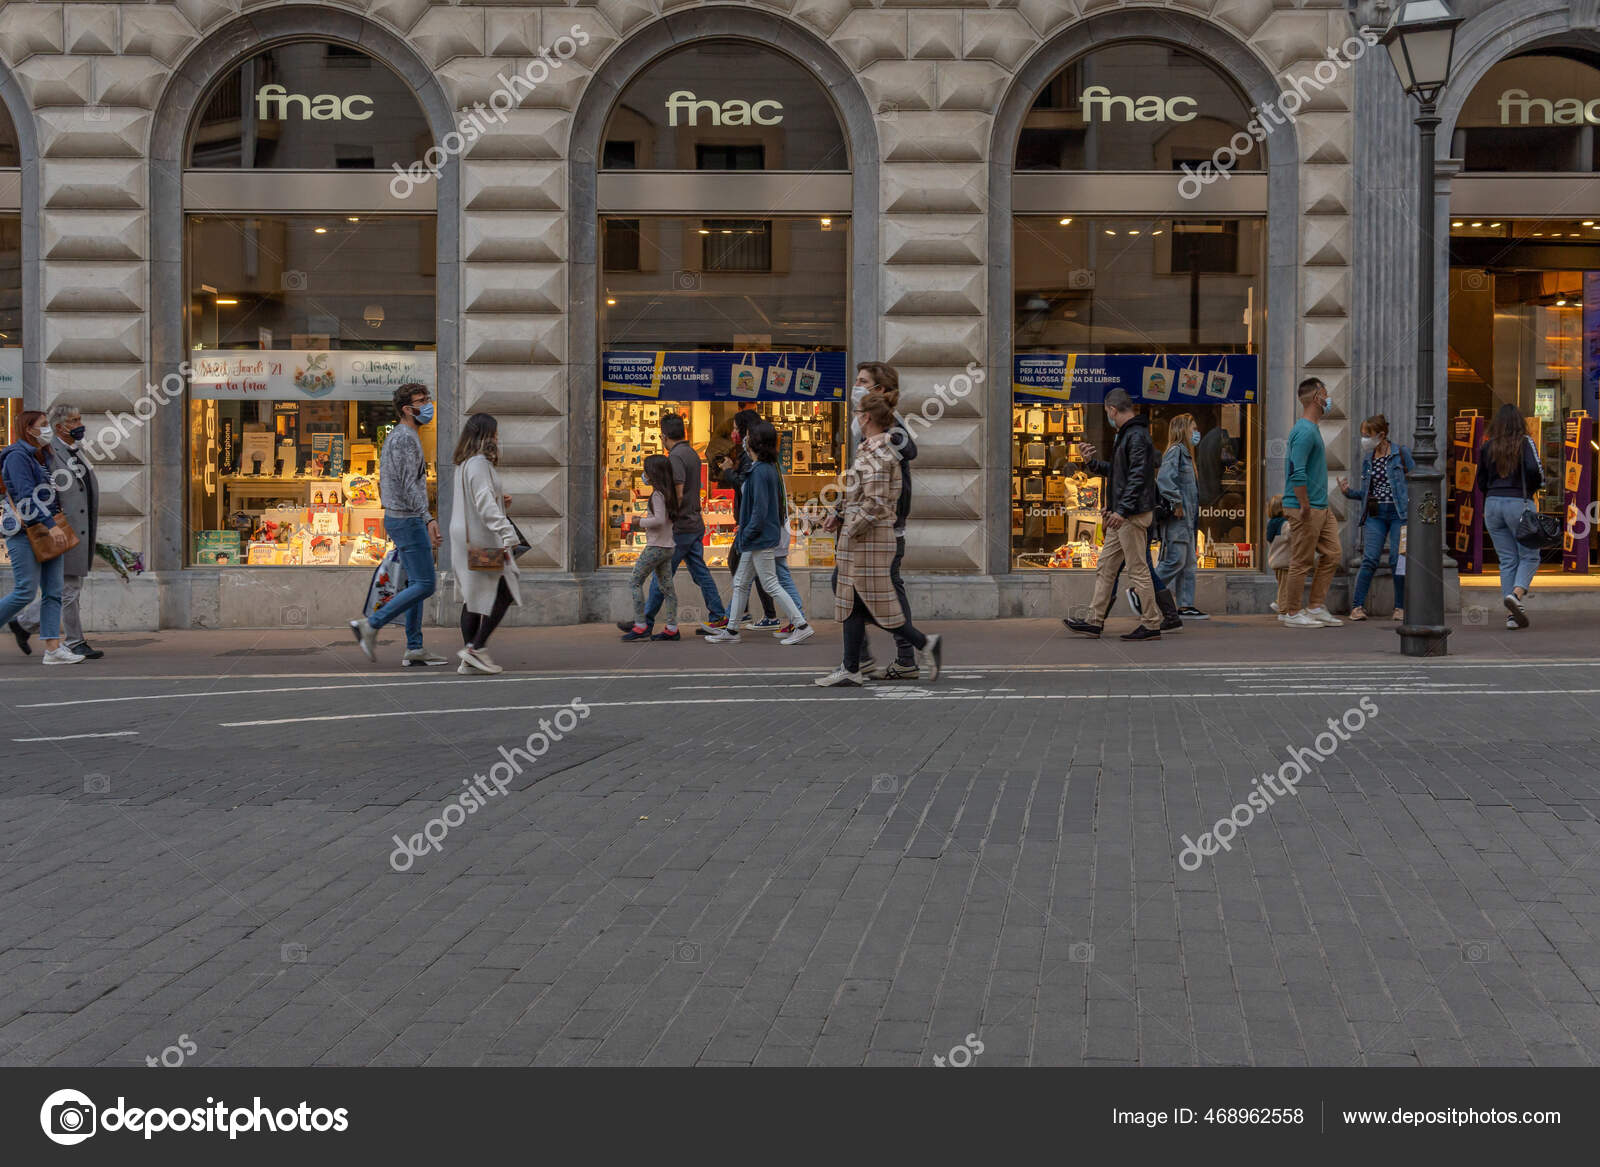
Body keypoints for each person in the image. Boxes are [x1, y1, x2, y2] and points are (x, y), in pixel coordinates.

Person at [816, 392, 940, 685]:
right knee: (855, 601)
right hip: (864, 538)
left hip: (869, 541)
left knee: (870, 602)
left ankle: (918, 646)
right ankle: (854, 666)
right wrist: (840, 515)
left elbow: (876, 503)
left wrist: (850, 526)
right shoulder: (869, 448)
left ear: (867, 417)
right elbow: (859, 495)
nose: (856, 418)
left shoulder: (880, 453)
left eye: (858, 412)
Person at [350, 382, 447, 665]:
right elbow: (408, 485)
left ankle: (414, 647)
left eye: (428, 398)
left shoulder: (405, 436)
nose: (428, 404)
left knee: (415, 582)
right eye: (421, 400)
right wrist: (427, 518)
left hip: (401, 518)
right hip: (407, 519)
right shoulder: (404, 438)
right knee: (426, 584)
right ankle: (370, 625)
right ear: (407, 409)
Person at [1063, 389, 1163, 641]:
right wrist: (1093, 464)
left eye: (1107, 412)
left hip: (1130, 516)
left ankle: (1151, 623)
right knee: (1106, 566)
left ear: (1112, 410)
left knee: (1138, 569)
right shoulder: (1130, 434)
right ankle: (1094, 621)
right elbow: (1122, 474)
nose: (1108, 416)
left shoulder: (1136, 435)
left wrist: (1122, 509)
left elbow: (1139, 477)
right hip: (1124, 515)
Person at [617, 413, 726, 641]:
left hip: (681, 527)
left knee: (661, 576)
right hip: (694, 522)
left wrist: (665, 518)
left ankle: (645, 622)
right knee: (699, 572)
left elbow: (676, 493)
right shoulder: (693, 454)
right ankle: (718, 615)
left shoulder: (675, 457)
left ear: (664, 435)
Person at [705, 420, 812, 645]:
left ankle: (801, 624)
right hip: (757, 538)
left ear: (754, 442)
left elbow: (760, 511)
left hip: (759, 539)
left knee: (770, 583)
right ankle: (732, 630)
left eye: (747, 436)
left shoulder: (761, 471)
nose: (743, 439)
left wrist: (746, 534)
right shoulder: (763, 469)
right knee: (741, 583)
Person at [847, 361, 922, 678]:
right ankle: (868, 656)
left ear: (879, 390)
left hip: (886, 527)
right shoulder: (860, 423)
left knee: (868, 591)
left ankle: (906, 654)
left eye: (863, 381)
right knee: (861, 590)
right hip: (878, 524)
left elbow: (911, 449)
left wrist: (887, 438)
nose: (857, 385)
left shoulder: (891, 424)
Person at [11, 404, 101, 658]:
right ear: (61, 426)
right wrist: (51, 524)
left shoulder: (76, 451)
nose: (79, 423)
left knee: (65, 588)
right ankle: (73, 641)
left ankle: (25, 624)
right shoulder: (49, 453)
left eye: (80, 418)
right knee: (65, 588)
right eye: (74, 420)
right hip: (62, 527)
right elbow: (39, 493)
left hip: (78, 528)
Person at [0, 411, 81, 664]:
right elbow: (25, 496)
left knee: (54, 591)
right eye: (43, 425)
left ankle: (53, 649)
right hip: (25, 532)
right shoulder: (16, 456)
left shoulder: (42, 455)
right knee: (25, 591)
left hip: (48, 529)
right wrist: (51, 524)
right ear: (29, 429)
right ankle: (53, 648)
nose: (48, 430)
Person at [450, 413, 521, 673]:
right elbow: (483, 503)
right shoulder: (479, 464)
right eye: (494, 433)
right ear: (485, 436)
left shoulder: (464, 464)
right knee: (505, 589)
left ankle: (469, 655)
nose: (497, 438)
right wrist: (507, 532)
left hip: (467, 539)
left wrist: (500, 500)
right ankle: (476, 649)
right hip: (481, 541)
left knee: (473, 596)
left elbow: (478, 500)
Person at [1279, 377, 1342, 628]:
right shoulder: (1304, 431)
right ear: (1316, 397)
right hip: (1306, 507)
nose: (1328, 399)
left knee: (1333, 554)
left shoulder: (1311, 429)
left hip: (1319, 507)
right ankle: (1292, 613)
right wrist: (1304, 504)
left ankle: (1315, 606)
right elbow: (1297, 470)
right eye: (1325, 394)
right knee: (1301, 561)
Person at [1339, 413, 1413, 622]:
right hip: (1375, 514)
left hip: (1399, 514)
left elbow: (1417, 481)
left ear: (1381, 434)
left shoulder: (1401, 454)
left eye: (1367, 435)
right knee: (1369, 559)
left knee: (1397, 560)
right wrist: (1349, 492)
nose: (1364, 439)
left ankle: (1400, 607)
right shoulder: (1368, 459)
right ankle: (1357, 607)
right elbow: (1368, 491)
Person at [1476, 401, 1543, 629]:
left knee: (1507, 559)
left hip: (1492, 505)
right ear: (1519, 423)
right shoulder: (1525, 443)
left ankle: (1512, 616)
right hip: (1519, 503)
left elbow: (1480, 480)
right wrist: (1533, 488)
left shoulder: (1488, 446)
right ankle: (1516, 595)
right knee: (1530, 556)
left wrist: (1492, 493)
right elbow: (1536, 471)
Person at [709, 409, 778, 630]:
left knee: (752, 573)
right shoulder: (750, 457)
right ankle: (746, 616)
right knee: (749, 572)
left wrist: (729, 471)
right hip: (749, 524)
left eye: (736, 428)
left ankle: (740, 618)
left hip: (750, 525)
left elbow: (746, 487)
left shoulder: (753, 460)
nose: (733, 433)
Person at [621, 454, 679, 642]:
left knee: (635, 581)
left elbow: (659, 520)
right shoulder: (669, 493)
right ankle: (671, 627)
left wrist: (640, 522)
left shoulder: (657, 495)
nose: (644, 475)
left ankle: (640, 624)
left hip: (656, 547)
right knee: (667, 589)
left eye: (646, 471)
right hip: (668, 546)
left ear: (653, 473)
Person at [1155, 411, 1204, 620]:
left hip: (1188, 519)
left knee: (1188, 563)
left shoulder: (1186, 453)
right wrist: (1176, 502)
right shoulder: (1176, 451)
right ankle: (1143, 591)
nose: (1196, 432)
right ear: (1183, 429)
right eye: (1193, 428)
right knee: (1175, 559)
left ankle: (1185, 605)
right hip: (1178, 518)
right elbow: (1165, 479)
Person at [1265, 494, 1290, 613]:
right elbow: (1291, 536)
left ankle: (1279, 603)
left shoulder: (1272, 523)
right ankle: (1283, 610)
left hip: (1276, 560)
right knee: (1285, 588)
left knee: (1282, 586)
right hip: (1285, 561)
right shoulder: (1284, 523)